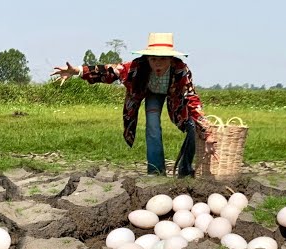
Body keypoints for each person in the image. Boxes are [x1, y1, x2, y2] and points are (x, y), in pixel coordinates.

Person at [53, 33, 211, 177]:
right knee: (152, 126)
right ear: (147, 59)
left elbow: (190, 96)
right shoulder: (137, 67)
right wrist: (78, 71)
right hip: (150, 93)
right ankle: (156, 171)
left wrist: (203, 123)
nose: (158, 64)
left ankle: (185, 170)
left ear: (171, 59)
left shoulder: (181, 70)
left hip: (174, 97)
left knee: (192, 126)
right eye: (153, 59)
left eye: (163, 59)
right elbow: (110, 70)